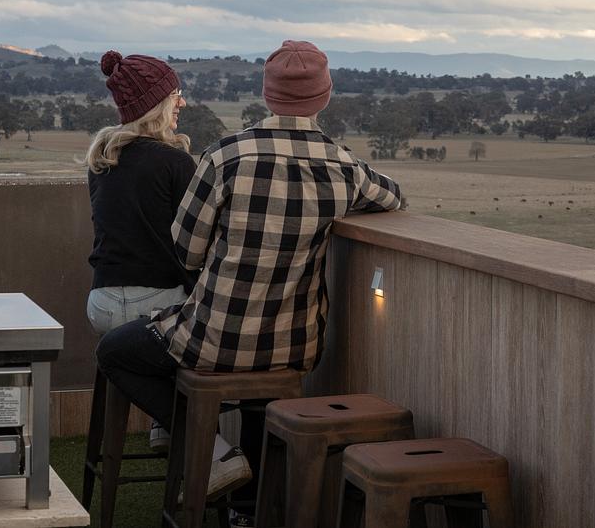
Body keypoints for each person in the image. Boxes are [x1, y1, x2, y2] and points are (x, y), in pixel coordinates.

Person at [96, 40, 406, 503]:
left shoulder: (224, 157)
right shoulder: (345, 168)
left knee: (114, 350)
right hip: (295, 346)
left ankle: (212, 456)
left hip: (212, 341)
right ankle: (248, 509)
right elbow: (394, 198)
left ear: (267, 94)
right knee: (265, 396)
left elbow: (188, 251)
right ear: (324, 96)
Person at [85, 51, 194, 451]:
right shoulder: (176, 163)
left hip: (102, 304)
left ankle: (162, 424)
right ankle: (211, 448)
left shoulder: (101, 161)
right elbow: (192, 248)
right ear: (158, 104)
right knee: (196, 316)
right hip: (156, 304)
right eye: (176, 94)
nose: (181, 103)